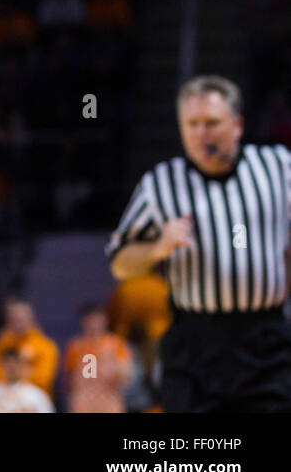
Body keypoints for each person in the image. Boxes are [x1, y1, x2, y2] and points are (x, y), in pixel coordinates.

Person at [107, 75, 291, 412]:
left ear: (236, 125)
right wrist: (157, 247)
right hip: (195, 343)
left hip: (266, 338)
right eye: (191, 124)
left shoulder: (278, 167)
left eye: (211, 123)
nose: (201, 134)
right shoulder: (161, 183)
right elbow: (120, 263)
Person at [62, 303, 130, 413]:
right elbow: (69, 381)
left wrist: (112, 368)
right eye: (90, 320)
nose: (93, 324)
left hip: (109, 399)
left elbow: (125, 376)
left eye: (97, 319)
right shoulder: (75, 346)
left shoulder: (116, 344)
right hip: (83, 401)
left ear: (105, 320)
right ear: (83, 322)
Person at [0, 298, 59, 397]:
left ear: (31, 320)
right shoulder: (0, 344)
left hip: (35, 399)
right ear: (8, 322)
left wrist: (12, 375)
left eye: (22, 319)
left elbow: (43, 379)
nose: (18, 323)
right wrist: (26, 372)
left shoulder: (46, 346)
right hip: (2, 396)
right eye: (14, 320)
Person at [0, 348, 54, 413]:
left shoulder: (37, 394)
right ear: (1, 365)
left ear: (23, 366)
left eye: (15, 363)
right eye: (7, 363)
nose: (11, 367)